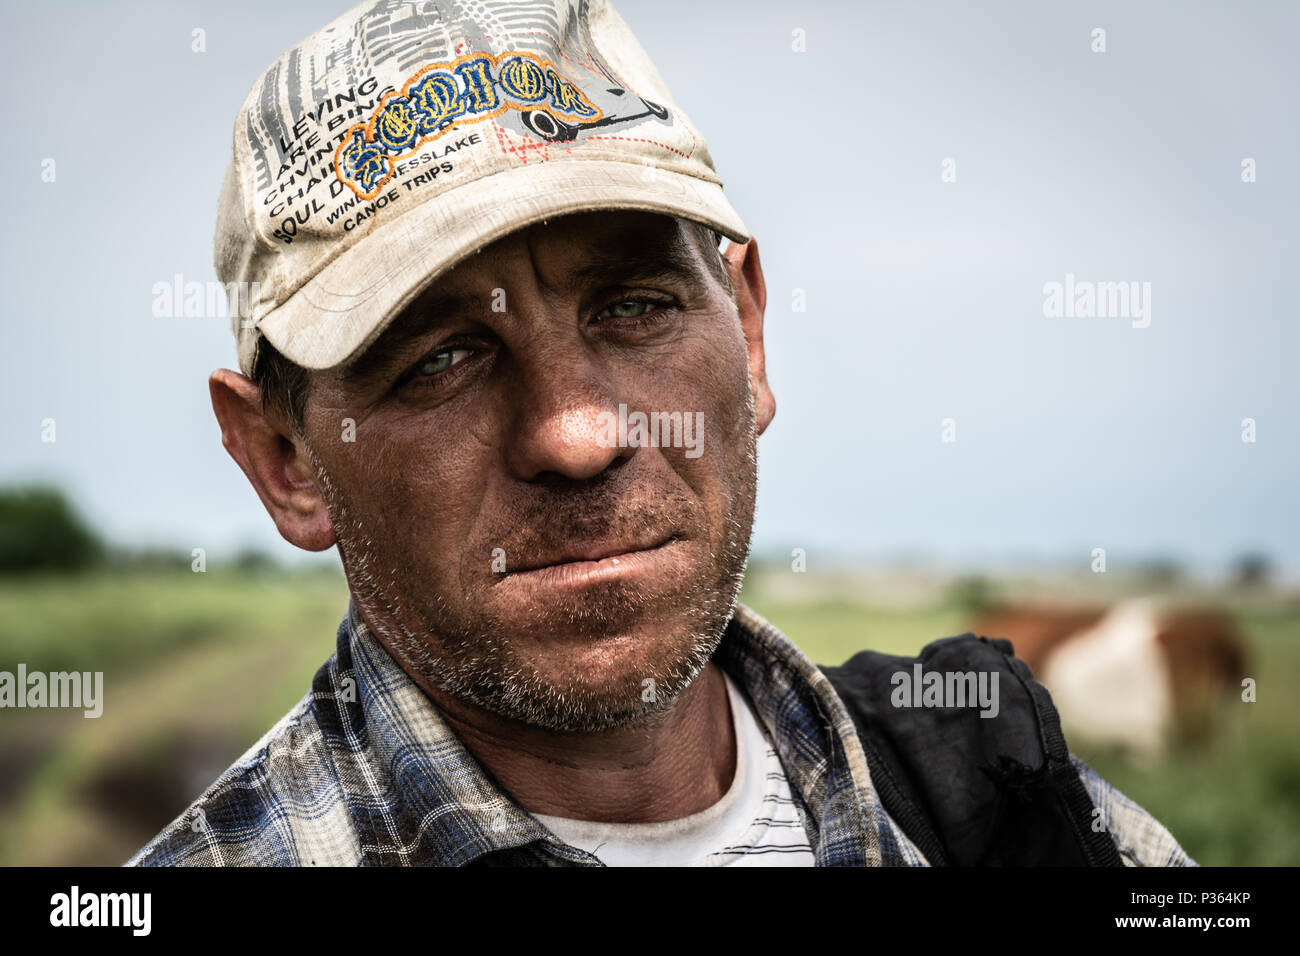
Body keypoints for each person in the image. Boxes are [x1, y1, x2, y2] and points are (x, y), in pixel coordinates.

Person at [129, 0, 1192, 867]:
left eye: (633, 304)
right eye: (439, 357)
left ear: (750, 334)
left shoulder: (998, 799)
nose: (580, 434)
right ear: (284, 460)